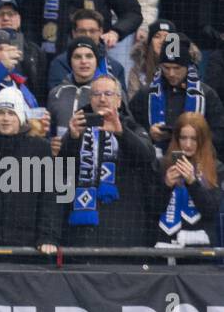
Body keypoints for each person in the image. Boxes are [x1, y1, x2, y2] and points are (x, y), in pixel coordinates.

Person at [59, 72, 158, 248]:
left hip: (123, 224)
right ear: (90, 99)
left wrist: (121, 132)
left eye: (108, 94)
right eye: (96, 94)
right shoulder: (78, 126)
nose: (102, 99)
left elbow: (147, 157)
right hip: (83, 229)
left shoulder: (132, 126)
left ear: (119, 100)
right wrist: (72, 139)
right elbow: (62, 171)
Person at [0, 85, 62, 258]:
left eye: (11, 113)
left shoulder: (40, 148)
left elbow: (49, 197)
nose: (5, 118)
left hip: (30, 248)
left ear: (21, 116)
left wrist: (48, 236)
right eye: (1, 112)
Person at [130, 39, 224, 156]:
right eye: (166, 67)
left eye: (177, 68)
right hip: (154, 160)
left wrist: (193, 137)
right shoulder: (145, 94)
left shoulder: (206, 94)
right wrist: (148, 134)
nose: (171, 73)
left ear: (187, 66)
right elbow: (131, 125)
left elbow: (219, 134)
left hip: (196, 161)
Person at [154, 113, 222, 249]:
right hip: (165, 245)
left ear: (203, 140)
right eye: (183, 138)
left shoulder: (216, 167)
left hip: (200, 249)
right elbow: (153, 209)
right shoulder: (162, 165)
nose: (188, 144)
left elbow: (211, 210)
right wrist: (166, 185)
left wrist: (193, 183)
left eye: (194, 139)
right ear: (176, 139)